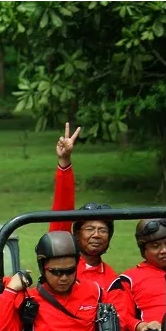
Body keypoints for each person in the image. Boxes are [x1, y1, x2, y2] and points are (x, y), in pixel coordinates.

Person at [47, 123, 118, 291]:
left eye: (102, 230)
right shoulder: (62, 262)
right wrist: (64, 161)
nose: (96, 235)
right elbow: (62, 209)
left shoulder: (113, 280)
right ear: (76, 234)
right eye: (90, 229)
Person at [109, 219, 165, 331]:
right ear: (143, 250)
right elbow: (121, 315)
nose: (164, 250)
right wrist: (140, 325)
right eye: (156, 246)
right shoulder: (128, 279)